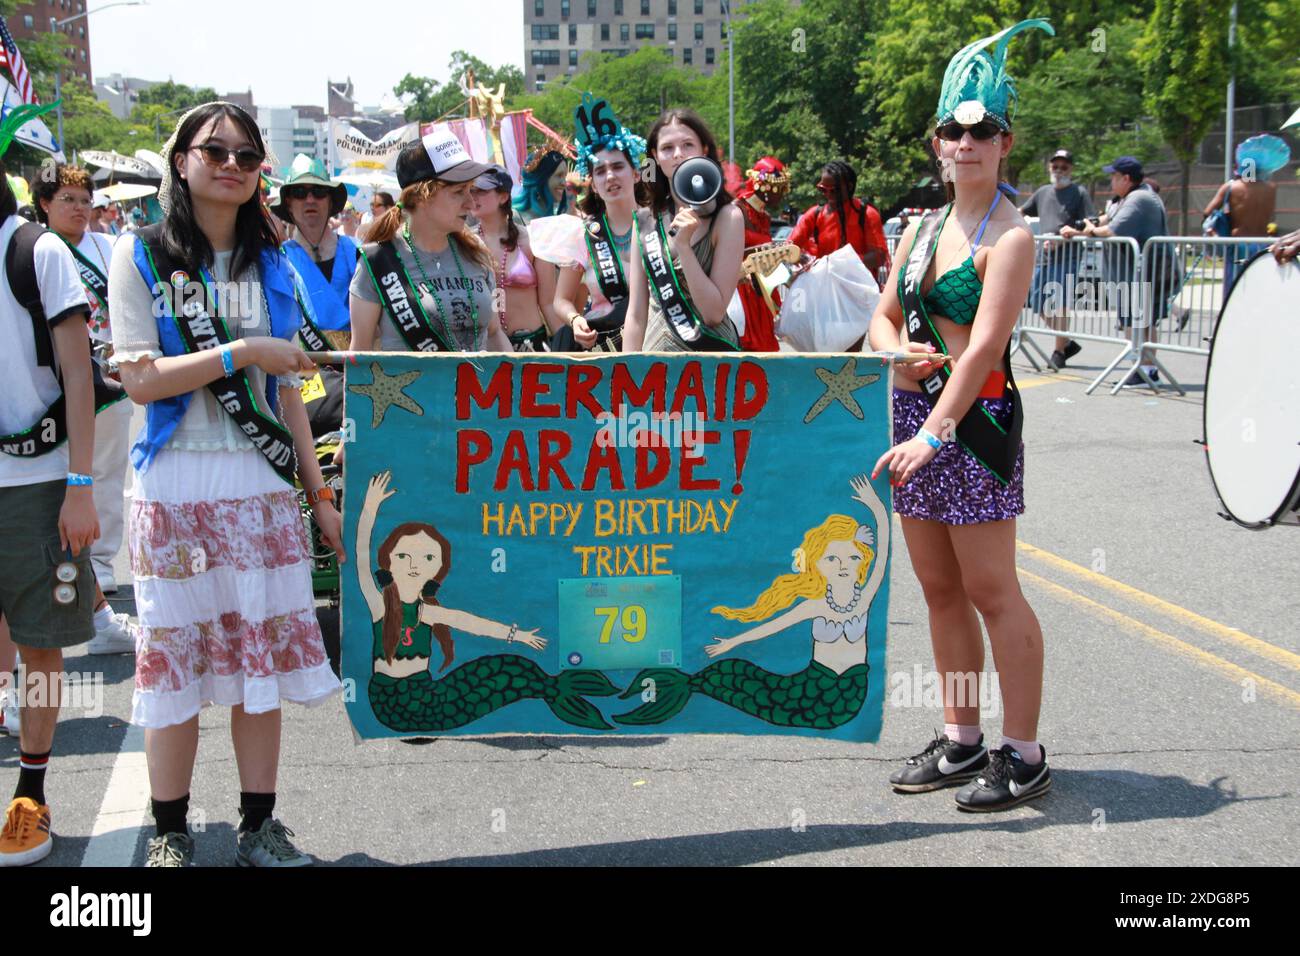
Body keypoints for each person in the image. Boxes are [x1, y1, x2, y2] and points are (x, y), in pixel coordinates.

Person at [108, 102, 343, 867]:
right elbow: (140, 381)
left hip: (261, 486)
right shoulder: (138, 255)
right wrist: (241, 349)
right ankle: (170, 831)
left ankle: (258, 824)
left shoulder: (273, 261)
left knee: (258, 670)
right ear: (181, 161)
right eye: (216, 151)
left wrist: (319, 496)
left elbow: (287, 398)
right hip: (173, 488)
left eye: (248, 155)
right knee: (173, 667)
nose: (233, 165)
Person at [868, 18, 1051, 813]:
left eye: (983, 130)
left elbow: (982, 352)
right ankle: (961, 736)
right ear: (937, 144)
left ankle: (1024, 751)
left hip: (969, 429)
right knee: (938, 589)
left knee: (991, 589)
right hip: (911, 414)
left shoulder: (1011, 238)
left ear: (1005, 143)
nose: (967, 143)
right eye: (954, 129)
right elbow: (880, 319)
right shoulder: (915, 230)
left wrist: (931, 432)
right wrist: (892, 352)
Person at [0, 117, 100, 865]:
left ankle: (29, 798)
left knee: (39, 651)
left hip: (35, 484)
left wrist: (78, 485)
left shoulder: (35, 251)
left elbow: (77, 377)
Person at [31, 164, 137, 654]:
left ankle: (101, 567)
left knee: (107, 474)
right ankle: (85, 588)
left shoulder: (107, 245)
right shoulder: (33, 250)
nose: (78, 207)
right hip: (58, 383)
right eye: (67, 198)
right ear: (45, 204)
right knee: (67, 482)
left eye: (83, 198)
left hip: (107, 376)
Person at [350, 128, 510, 353]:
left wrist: (514, 383)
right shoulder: (377, 262)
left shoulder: (477, 252)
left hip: (478, 388)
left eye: (471, 189)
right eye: (458, 191)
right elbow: (360, 353)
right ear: (421, 196)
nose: (471, 203)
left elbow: (494, 333)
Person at [622, 108, 745, 352]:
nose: (678, 154)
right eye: (667, 148)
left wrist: (685, 248)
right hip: (655, 364)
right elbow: (636, 314)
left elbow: (713, 313)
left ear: (704, 150)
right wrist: (626, 371)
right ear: (655, 156)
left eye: (688, 144)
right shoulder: (646, 220)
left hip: (711, 361)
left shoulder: (728, 217)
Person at [533, 92, 649, 353]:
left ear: (636, 173)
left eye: (618, 167)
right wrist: (575, 321)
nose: (610, 176)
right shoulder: (584, 235)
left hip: (655, 343)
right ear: (593, 184)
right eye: (600, 171)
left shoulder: (657, 225)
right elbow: (561, 300)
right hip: (604, 348)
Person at [1060, 155, 1168, 386]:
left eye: (1114, 176)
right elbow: (1105, 219)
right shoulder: (1126, 198)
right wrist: (1084, 226)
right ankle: (1143, 369)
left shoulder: (1139, 198)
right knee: (1136, 320)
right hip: (1132, 274)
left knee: (1141, 322)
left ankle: (1146, 370)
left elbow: (1111, 230)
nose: (1111, 181)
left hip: (1145, 274)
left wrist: (1087, 230)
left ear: (1126, 178)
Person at [470, 165, 561, 351]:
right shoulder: (464, 243)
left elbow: (549, 304)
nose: (473, 196)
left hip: (532, 346)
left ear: (503, 196)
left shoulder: (534, 240)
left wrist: (567, 349)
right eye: (471, 190)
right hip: (486, 348)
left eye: (481, 191)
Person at [1019, 148, 1095, 369]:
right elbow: (1021, 211)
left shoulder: (1079, 193)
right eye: (1055, 166)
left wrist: (1072, 231)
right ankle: (1067, 341)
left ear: (1071, 169)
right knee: (1036, 302)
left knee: (1059, 303)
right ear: (1049, 167)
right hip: (1044, 256)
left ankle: (1059, 350)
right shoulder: (1042, 192)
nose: (1059, 170)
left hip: (1067, 256)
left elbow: (1091, 222)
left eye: (1064, 166)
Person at [271, 155, 357, 350]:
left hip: (357, 370)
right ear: (289, 204)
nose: (310, 199)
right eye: (300, 192)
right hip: (302, 372)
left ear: (330, 201)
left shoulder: (359, 252)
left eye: (319, 191)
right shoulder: (276, 261)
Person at [1204, 134, 1289, 292]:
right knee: (1258, 290)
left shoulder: (1232, 187)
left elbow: (1207, 212)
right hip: (1264, 244)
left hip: (1239, 245)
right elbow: (1270, 216)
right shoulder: (1271, 188)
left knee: (1236, 289)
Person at [789, 161, 890, 281]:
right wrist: (803, 259)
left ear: (850, 186)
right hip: (825, 288)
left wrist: (843, 264)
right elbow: (790, 246)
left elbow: (879, 256)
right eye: (823, 189)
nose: (828, 194)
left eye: (834, 190)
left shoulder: (867, 214)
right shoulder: (813, 215)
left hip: (859, 292)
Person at [733, 156, 790, 352]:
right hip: (740, 288)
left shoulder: (764, 217)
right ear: (764, 186)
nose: (782, 195)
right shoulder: (735, 211)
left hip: (761, 290)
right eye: (779, 189)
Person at [512, 148, 569, 225]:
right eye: (559, 175)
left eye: (565, 176)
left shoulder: (560, 219)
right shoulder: (514, 218)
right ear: (541, 178)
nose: (564, 183)